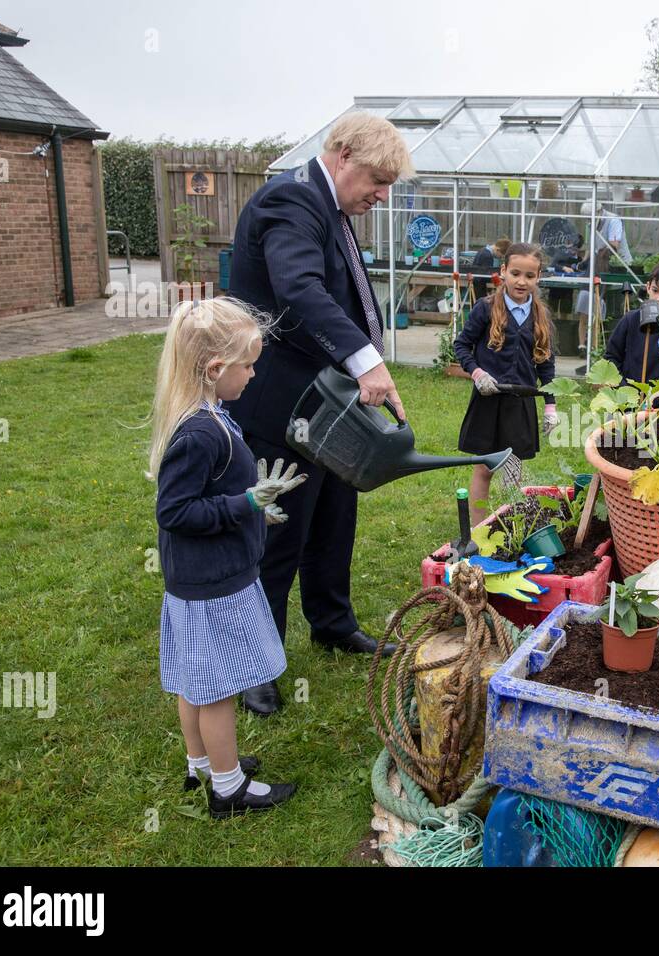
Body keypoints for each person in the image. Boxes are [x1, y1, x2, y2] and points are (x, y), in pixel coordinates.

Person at [224, 111, 414, 715]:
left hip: (326, 397)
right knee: (279, 527)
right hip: (281, 400)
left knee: (334, 510)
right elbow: (300, 291)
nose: (381, 196)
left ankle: (331, 621)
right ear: (341, 153)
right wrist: (367, 363)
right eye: (377, 180)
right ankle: (256, 659)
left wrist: (359, 367)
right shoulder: (291, 201)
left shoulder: (327, 207)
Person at [150, 298, 302, 818]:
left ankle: (203, 766)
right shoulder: (200, 433)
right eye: (249, 364)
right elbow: (175, 511)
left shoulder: (213, 416)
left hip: (198, 582)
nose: (254, 374)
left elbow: (214, 496)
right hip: (214, 586)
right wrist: (245, 503)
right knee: (218, 689)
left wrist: (254, 511)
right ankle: (228, 788)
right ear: (216, 369)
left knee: (195, 681)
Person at [454, 243, 557, 519]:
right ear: (503, 272)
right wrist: (477, 373)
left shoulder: (541, 317)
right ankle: (478, 530)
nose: (521, 281)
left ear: (538, 278)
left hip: (520, 403)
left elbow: (547, 366)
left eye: (529, 276)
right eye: (515, 273)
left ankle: (509, 527)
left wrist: (550, 407)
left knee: (512, 471)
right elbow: (462, 346)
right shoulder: (485, 309)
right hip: (488, 400)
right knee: (484, 469)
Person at [605, 260, 659, 387]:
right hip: (624, 399)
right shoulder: (630, 320)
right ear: (647, 288)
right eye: (655, 290)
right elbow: (612, 357)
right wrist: (624, 390)